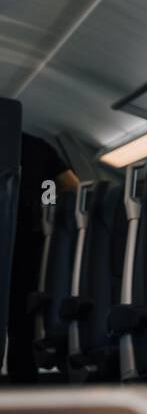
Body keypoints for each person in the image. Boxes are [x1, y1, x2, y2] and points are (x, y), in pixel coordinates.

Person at [5, 134, 77, 383]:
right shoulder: (36, 145)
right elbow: (72, 186)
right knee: (21, 319)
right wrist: (48, 205)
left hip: (17, 238)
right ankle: (22, 382)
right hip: (28, 239)